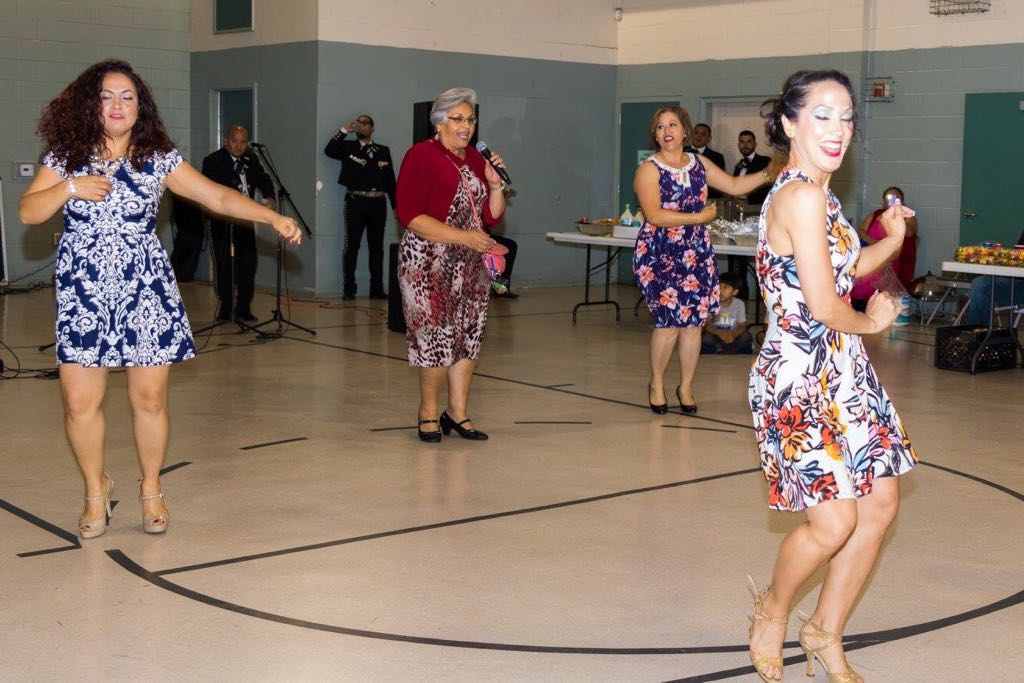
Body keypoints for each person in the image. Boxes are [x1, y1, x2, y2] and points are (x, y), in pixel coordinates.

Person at [18, 60, 301, 539]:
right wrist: (70, 188)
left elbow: (216, 196)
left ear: (140, 107)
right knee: (78, 402)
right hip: (84, 290)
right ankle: (95, 489)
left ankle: (151, 488)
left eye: (127, 97)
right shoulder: (66, 156)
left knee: (149, 398)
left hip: (144, 287)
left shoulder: (158, 157)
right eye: (107, 96)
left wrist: (269, 218)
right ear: (91, 103)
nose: (117, 105)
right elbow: (28, 211)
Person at [746, 70, 918, 682]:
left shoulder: (819, 192)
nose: (839, 130)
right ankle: (773, 609)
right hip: (799, 377)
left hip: (843, 373)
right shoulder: (801, 195)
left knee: (879, 507)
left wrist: (890, 243)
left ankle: (824, 632)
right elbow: (822, 304)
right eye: (822, 115)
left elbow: (842, 267)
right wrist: (872, 324)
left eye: (847, 117)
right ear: (789, 123)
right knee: (834, 521)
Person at [634, 106, 772, 415]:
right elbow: (654, 215)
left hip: (696, 251)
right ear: (655, 135)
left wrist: (770, 171)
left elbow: (735, 186)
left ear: (685, 131)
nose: (666, 130)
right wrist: (700, 216)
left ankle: (685, 386)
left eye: (672, 124)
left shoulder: (699, 163)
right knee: (669, 323)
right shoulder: (649, 169)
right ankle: (656, 383)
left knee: (694, 325)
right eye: (660, 127)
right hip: (661, 253)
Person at [396, 88, 507, 443]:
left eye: (470, 119)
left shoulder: (475, 158)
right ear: (439, 121)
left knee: (468, 337)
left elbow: (492, 215)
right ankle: (428, 412)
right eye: (457, 119)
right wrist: (463, 238)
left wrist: (495, 186)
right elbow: (409, 215)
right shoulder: (421, 155)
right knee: (435, 339)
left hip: (471, 262)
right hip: (427, 263)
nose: (466, 126)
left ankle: (457, 413)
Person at [202, 125, 277, 322]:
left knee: (248, 263)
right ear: (226, 141)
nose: (239, 146)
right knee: (225, 264)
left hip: (245, 221)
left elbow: (264, 179)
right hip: (223, 221)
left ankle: (243, 307)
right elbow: (216, 189)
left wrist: (270, 196)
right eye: (235, 141)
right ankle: (226, 308)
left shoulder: (251, 159)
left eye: (243, 142)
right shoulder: (213, 161)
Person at [324, 114, 397, 300]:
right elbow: (329, 150)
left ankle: (377, 289)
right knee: (352, 247)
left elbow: (390, 182)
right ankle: (349, 288)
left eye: (365, 123)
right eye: (359, 123)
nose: (361, 126)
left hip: (378, 204)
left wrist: (396, 206)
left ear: (372, 128)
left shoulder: (383, 150)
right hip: (356, 202)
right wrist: (343, 131)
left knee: (377, 248)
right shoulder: (348, 147)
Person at [851, 186, 919, 315]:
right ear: (883, 200)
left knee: (887, 291)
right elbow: (861, 231)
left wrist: (898, 220)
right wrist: (872, 241)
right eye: (889, 197)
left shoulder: (908, 217)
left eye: (896, 198)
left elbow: (909, 232)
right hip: (872, 256)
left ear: (902, 201)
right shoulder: (875, 214)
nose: (892, 201)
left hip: (893, 260)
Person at [700, 272, 753, 354]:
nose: (721, 291)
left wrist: (733, 335)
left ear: (735, 292)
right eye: (719, 287)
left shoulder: (739, 304)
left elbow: (743, 326)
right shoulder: (712, 302)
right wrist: (719, 333)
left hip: (732, 336)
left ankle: (720, 349)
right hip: (716, 335)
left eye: (725, 287)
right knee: (706, 338)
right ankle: (728, 350)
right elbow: (706, 325)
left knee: (747, 336)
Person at [685, 123, 726, 198]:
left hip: (707, 201)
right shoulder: (680, 152)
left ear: (709, 138)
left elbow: (720, 184)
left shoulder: (717, 158)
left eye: (703, 134)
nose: (698, 136)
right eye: (696, 132)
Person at [733, 130, 772, 205]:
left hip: (759, 208)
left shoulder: (765, 161)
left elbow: (769, 186)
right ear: (738, 145)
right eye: (742, 142)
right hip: (739, 209)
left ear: (755, 144)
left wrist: (748, 197)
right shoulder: (738, 165)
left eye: (749, 141)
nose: (745, 145)